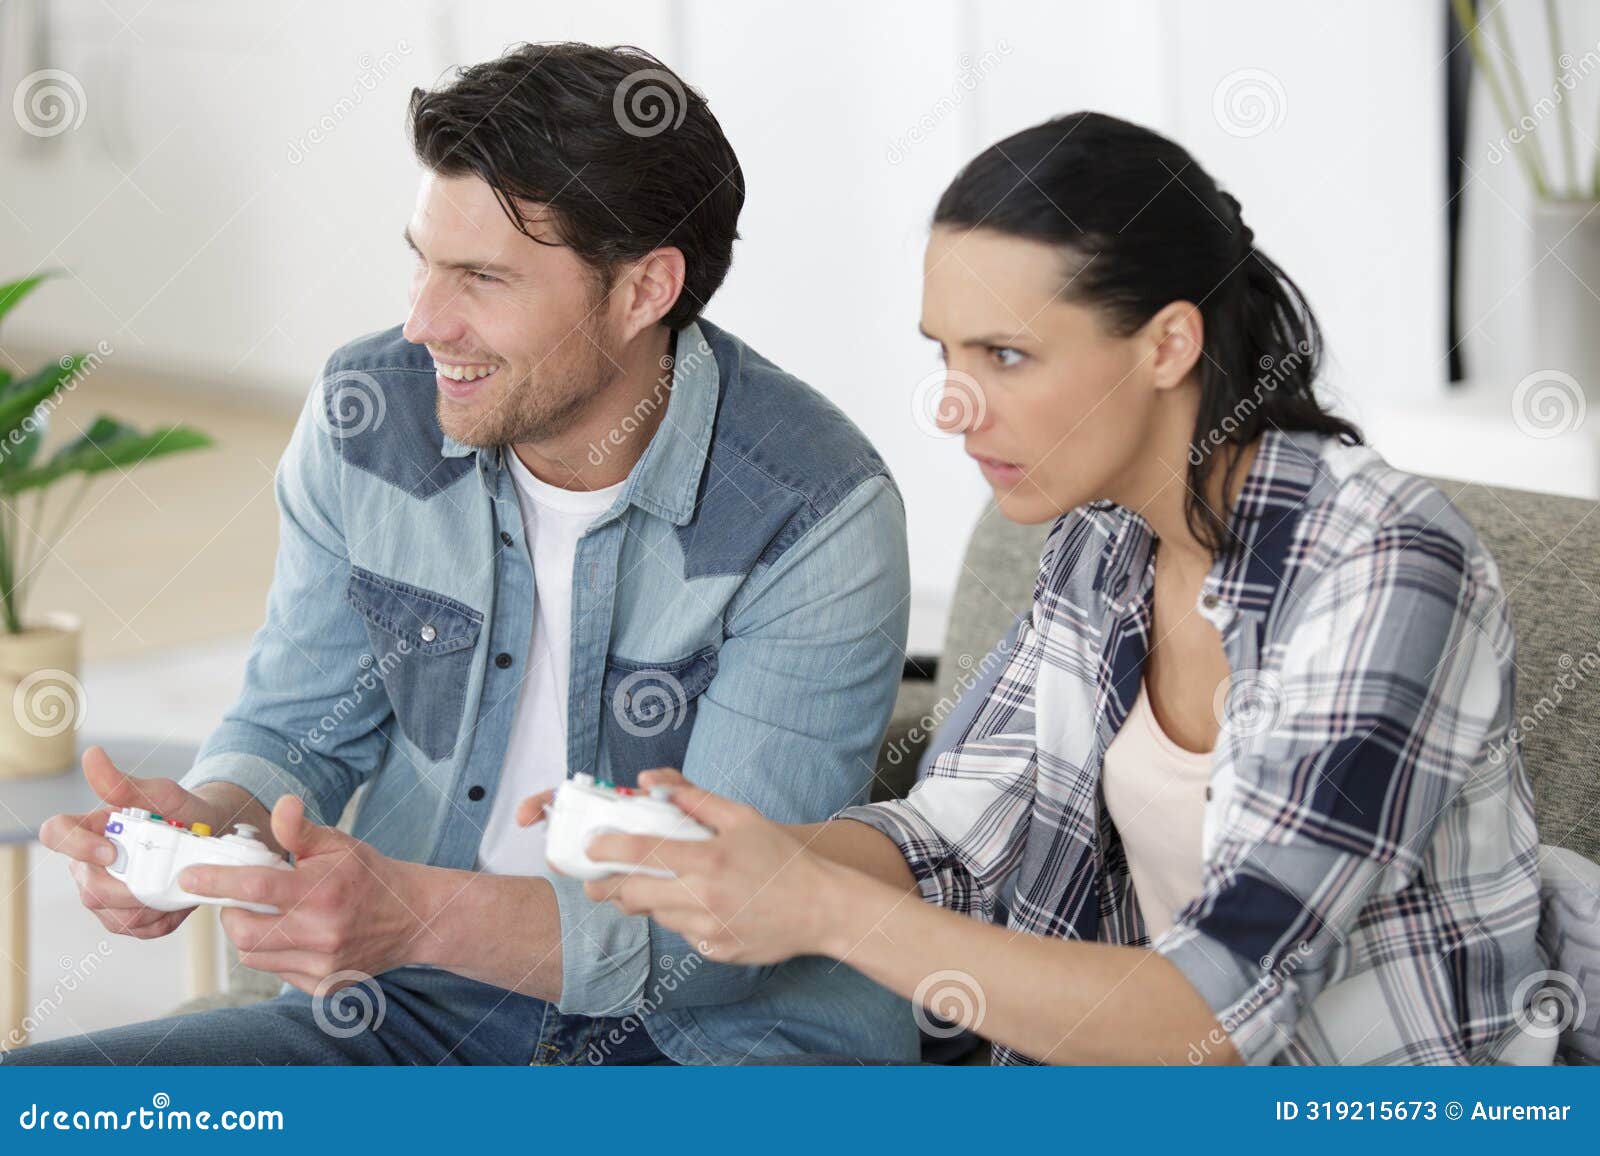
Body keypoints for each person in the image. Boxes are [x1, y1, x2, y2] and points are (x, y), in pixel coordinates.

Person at [572, 111, 1547, 1066]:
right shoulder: (1099, 540)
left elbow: (1213, 1010)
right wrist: (715, 851)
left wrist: (824, 910)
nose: (953, 406)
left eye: (1005, 354)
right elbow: (957, 837)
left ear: (1167, 344)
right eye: (942, 353)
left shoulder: (1385, 567)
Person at [12, 42, 915, 1066]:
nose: (424, 322)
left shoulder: (815, 510)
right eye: (423, 260)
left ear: (643, 289)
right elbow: (297, 723)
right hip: (411, 1011)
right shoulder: (371, 415)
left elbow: (726, 932)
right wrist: (211, 825)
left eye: (482, 278)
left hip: (716, 1047)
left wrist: (415, 914)